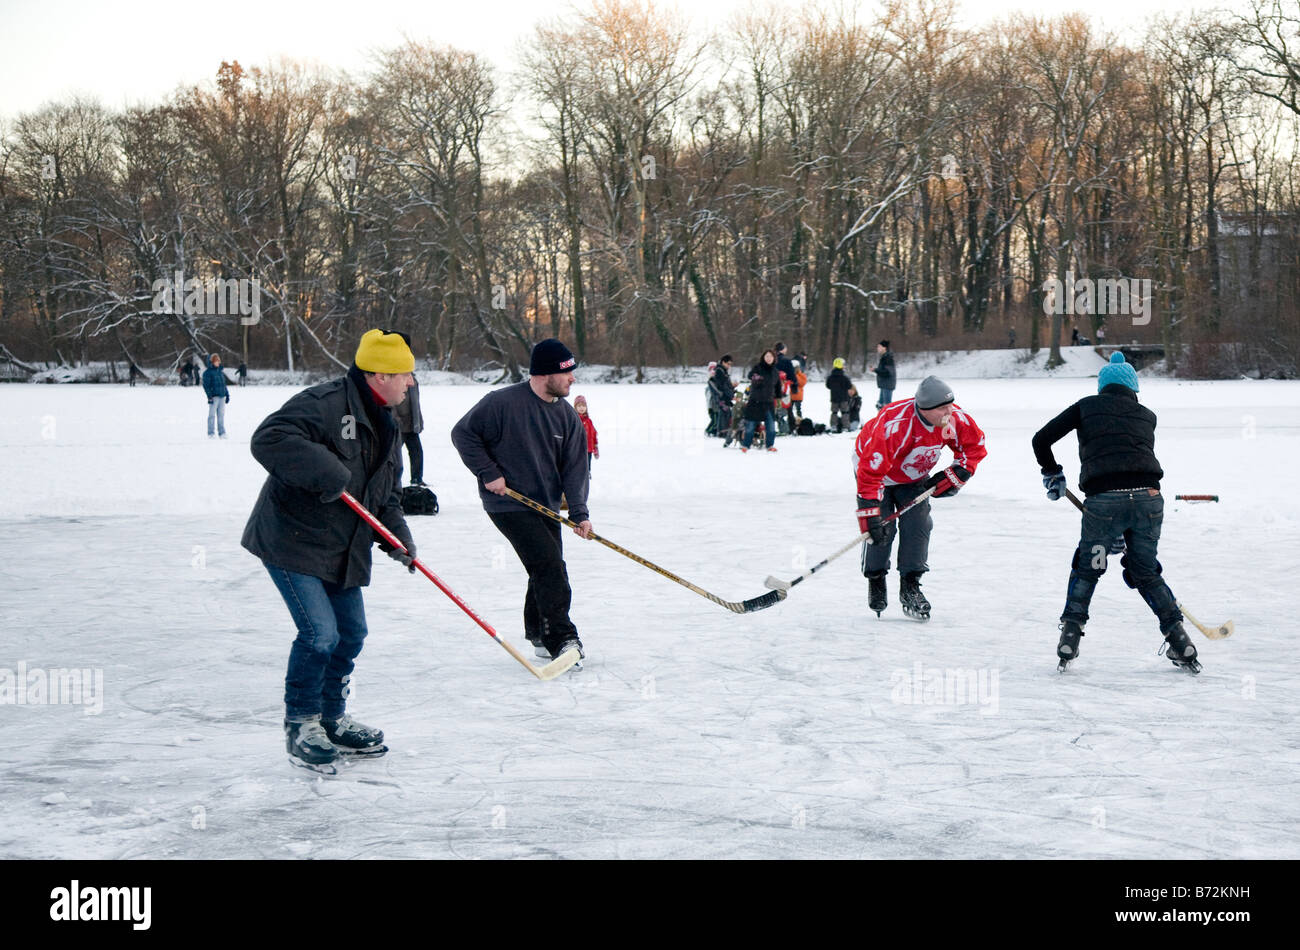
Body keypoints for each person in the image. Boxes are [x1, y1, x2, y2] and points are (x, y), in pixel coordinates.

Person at [242, 328, 418, 769]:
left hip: (344, 546)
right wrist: (327, 470)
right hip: (292, 539)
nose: (410, 383)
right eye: (404, 375)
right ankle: (301, 722)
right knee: (320, 634)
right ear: (379, 374)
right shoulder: (323, 403)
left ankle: (332, 719)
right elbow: (268, 438)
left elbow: (385, 496)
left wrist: (398, 538)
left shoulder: (389, 424)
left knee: (351, 634)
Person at [1031, 352, 1199, 672]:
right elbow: (1130, 463)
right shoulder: (1146, 415)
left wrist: (1052, 473)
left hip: (1104, 503)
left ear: (1102, 387)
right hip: (1149, 501)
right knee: (1145, 572)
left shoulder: (1086, 406)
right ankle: (1180, 640)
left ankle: (1071, 634)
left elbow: (1041, 440)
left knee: (1088, 567)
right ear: (1133, 388)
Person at [451, 338, 592, 668]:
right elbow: (463, 434)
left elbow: (575, 469)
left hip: (545, 505)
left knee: (545, 563)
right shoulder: (501, 403)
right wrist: (488, 472)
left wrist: (579, 513)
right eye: (567, 372)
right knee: (549, 566)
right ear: (545, 374)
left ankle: (538, 633)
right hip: (508, 503)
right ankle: (562, 637)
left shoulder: (567, 418)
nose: (573, 379)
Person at [854, 376, 987, 621]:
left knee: (918, 524)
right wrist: (869, 512)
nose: (950, 412)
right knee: (881, 528)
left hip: (913, 476)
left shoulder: (955, 418)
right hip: (877, 474)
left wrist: (957, 473)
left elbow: (974, 448)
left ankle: (910, 585)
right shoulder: (895, 425)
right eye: (943, 408)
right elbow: (870, 473)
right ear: (924, 410)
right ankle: (876, 578)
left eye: (951, 405)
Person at [392, 365, 426, 487]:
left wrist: (419, 421)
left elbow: (416, 404)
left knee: (417, 452)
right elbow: (391, 402)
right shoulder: (395, 379)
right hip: (399, 425)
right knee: (393, 455)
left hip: (412, 425)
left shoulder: (413, 380)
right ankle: (392, 480)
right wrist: (395, 419)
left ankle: (417, 479)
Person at [740, 349, 780, 452]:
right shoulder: (758, 368)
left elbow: (777, 386)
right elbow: (750, 376)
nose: (768, 358)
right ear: (763, 358)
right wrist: (756, 378)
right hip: (755, 401)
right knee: (750, 425)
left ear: (774, 358)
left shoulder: (775, 371)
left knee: (771, 426)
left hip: (769, 402)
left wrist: (779, 398)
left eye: (770, 357)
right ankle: (746, 445)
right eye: (766, 356)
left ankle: (770, 445)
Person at [202, 353, 230, 438]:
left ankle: (222, 432)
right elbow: (206, 386)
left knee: (221, 415)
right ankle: (211, 433)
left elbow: (224, 384)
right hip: (214, 397)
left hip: (222, 396)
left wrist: (227, 394)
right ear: (212, 362)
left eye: (218, 361)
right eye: (216, 361)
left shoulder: (220, 372)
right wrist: (209, 396)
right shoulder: (207, 373)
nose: (218, 362)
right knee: (212, 415)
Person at [709, 355, 736, 441]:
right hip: (722, 398)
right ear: (723, 362)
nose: (729, 366)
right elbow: (723, 387)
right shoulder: (720, 371)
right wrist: (731, 395)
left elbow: (726, 386)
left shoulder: (722, 371)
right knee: (724, 414)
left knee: (726, 413)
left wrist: (732, 389)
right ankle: (722, 433)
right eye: (728, 364)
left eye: (730, 364)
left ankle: (722, 432)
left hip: (724, 397)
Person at [773, 342, 799, 432]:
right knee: (788, 407)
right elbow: (791, 374)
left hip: (771, 388)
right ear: (782, 349)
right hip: (784, 387)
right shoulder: (786, 361)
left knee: (773, 407)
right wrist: (795, 385)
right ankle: (790, 427)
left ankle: (771, 426)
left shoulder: (771, 359)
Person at [826, 357, 854, 433]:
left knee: (834, 412)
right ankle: (845, 427)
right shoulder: (844, 377)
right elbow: (849, 386)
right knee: (845, 412)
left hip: (834, 398)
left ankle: (833, 426)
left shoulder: (830, 377)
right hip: (844, 398)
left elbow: (828, 385)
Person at [574, 395, 599, 477]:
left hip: (588, 449)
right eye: (579, 406)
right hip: (578, 449)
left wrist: (595, 447)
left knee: (587, 464)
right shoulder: (574, 420)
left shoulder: (589, 421)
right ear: (575, 407)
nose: (582, 408)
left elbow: (593, 434)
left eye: (583, 406)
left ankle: (587, 474)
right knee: (578, 465)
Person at [869, 340, 896, 410]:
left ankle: (887, 420)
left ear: (884, 348)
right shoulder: (884, 357)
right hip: (884, 385)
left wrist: (875, 370)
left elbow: (887, 372)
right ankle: (881, 419)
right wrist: (875, 370)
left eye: (879, 346)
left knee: (887, 407)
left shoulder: (888, 358)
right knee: (880, 405)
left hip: (887, 385)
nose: (877, 348)